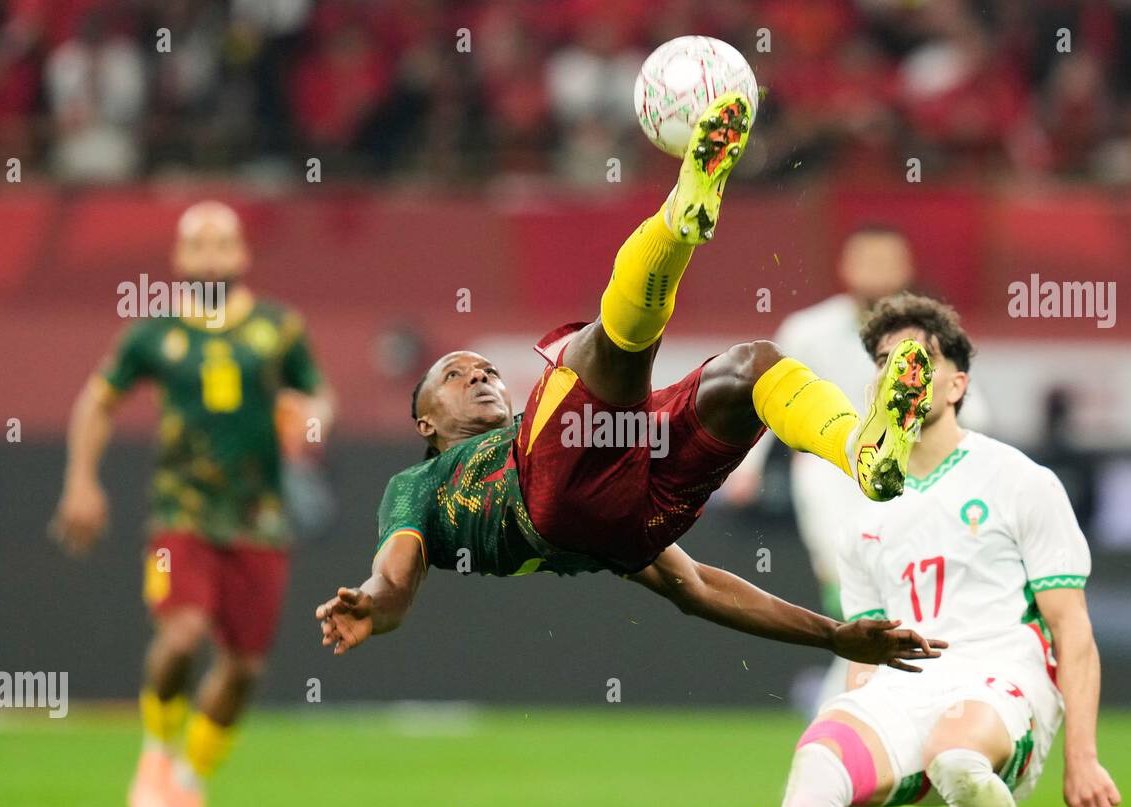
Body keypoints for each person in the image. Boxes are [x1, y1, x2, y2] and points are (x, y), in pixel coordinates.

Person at [316, 93, 940, 679]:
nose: (479, 374)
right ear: (424, 423)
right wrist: (373, 604)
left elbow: (694, 588)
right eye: (454, 375)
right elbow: (394, 580)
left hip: (632, 512)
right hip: (548, 499)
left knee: (750, 368)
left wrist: (833, 635)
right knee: (598, 347)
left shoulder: (541, 438)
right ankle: (679, 217)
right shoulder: (419, 485)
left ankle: (861, 453)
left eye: (487, 370)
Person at [774, 294, 1120, 807]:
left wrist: (1082, 757)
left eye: (918, 359)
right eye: (887, 361)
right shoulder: (861, 508)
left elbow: (1072, 630)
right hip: (902, 690)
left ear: (958, 385)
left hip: (1001, 680)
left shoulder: (1020, 481)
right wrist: (860, 796)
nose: (901, 373)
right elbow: (867, 650)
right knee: (817, 761)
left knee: (954, 755)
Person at [51, 201, 335, 807]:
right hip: (181, 513)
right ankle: (155, 752)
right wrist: (81, 481)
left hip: (259, 519)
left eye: (222, 240)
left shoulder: (278, 329)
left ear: (241, 257)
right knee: (179, 636)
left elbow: (319, 398)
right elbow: (97, 401)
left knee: (242, 668)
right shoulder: (154, 335)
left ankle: (188, 783)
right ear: (179, 262)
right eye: (196, 242)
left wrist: (308, 418)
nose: (210, 251)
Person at [725, 224, 916, 621]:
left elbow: (970, 410)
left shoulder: (925, 332)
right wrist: (746, 468)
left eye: (887, 261)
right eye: (868, 260)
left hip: (906, 467)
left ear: (906, 268)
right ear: (845, 266)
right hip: (827, 466)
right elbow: (769, 398)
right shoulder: (807, 330)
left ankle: (885, 638)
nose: (877, 271)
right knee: (842, 564)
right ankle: (858, 630)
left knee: (899, 570)